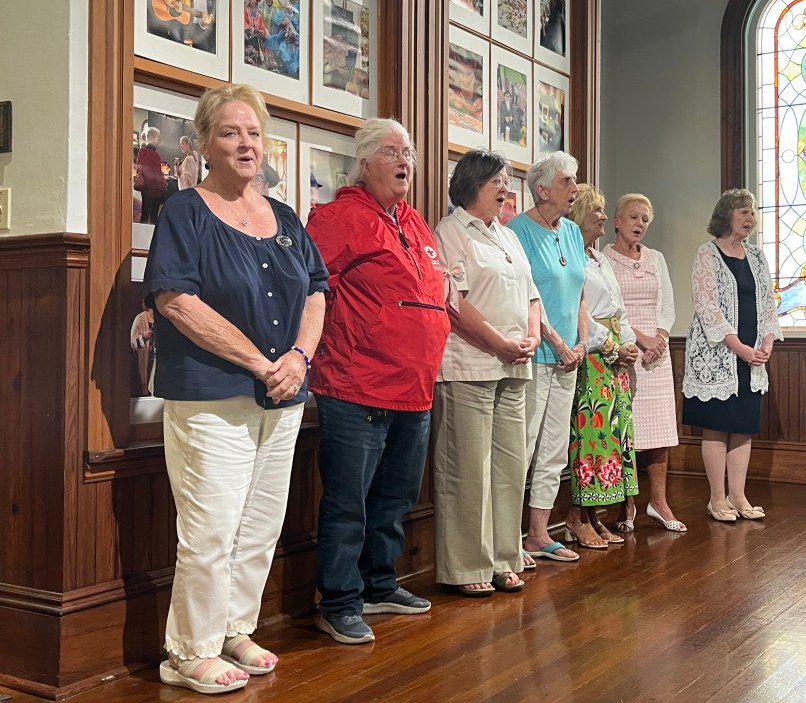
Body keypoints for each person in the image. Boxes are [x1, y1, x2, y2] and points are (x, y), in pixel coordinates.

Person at [143, 83, 328, 693]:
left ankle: (232, 629)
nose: (246, 143)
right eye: (230, 132)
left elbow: (317, 293)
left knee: (259, 525)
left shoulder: (285, 217)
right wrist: (260, 362)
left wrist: (298, 357)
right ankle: (187, 650)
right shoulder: (184, 211)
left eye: (253, 132)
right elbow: (175, 300)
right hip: (211, 395)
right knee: (211, 527)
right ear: (202, 143)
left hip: (285, 393)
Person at [306, 119, 450, 645]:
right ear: (365, 163)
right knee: (349, 500)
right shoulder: (338, 217)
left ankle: (378, 584)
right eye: (392, 151)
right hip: (355, 385)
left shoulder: (415, 222)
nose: (404, 160)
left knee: (396, 496)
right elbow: (309, 289)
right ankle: (339, 600)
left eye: (408, 150)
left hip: (415, 387)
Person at [432, 149, 541, 596]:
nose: (505, 189)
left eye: (508, 181)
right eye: (497, 180)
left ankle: (504, 557)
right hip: (470, 363)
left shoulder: (507, 235)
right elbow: (453, 301)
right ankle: (468, 566)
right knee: (467, 470)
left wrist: (531, 337)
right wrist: (498, 342)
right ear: (472, 183)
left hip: (516, 364)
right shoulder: (451, 231)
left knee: (510, 468)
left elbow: (532, 295)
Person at [682, 189, 781, 522]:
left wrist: (766, 342)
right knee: (717, 427)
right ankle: (717, 498)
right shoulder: (708, 253)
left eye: (752, 212)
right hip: (719, 353)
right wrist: (737, 347)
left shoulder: (756, 256)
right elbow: (706, 305)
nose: (750, 218)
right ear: (726, 215)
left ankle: (738, 496)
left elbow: (768, 301)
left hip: (752, 355)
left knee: (742, 427)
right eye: (743, 212)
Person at [507, 151, 587, 563]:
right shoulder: (516, 230)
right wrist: (556, 342)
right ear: (541, 189)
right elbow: (523, 296)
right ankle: (507, 538)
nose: (575, 188)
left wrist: (580, 344)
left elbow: (580, 294)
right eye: (566, 181)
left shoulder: (572, 231)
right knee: (524, 445)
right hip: (536, 354)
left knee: (555, 449)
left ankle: (538, 533)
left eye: (574, 181)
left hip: (569, 356)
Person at [564, 184, 640, 548]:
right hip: (591, 354)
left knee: (612, 438)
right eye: (596, 210)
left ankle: (596, 515)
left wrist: (627, 342)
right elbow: (579, 312)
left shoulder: (599, 258)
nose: (602, 217)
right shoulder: (571, 256)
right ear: (579, 213)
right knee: (589, 437)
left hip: (614, 360)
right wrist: (608, 345)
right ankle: (576, 516)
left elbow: (618, 307)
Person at [604, 194, 684, 532]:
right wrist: (639, 339)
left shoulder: (657, 258)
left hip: (656, 356)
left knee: (660, 431)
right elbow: (607, 307)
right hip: (626, 352)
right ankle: (627, 504)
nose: (640, 224)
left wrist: (660, 339)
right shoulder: (603, 259)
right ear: (617, 221)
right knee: (627, 430)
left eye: (645, 220)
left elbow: (667, 303)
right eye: (633, 217)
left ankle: (659, 501)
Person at [135, 127, 165, 225]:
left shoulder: (141, 151)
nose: (160, 140)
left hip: (145, 188)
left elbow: (140, 168)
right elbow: (156, 175)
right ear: (153, 138)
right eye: (158, 138)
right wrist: (163, 181)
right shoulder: (155, 155)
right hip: (154, 191)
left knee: (144, 214)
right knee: (153, 218)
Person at [129, 303, 155, 396]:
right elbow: (132, 342)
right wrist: (143, 337)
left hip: (157, 361)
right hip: (143, 360)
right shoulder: (139, 318)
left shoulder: (161, 319)